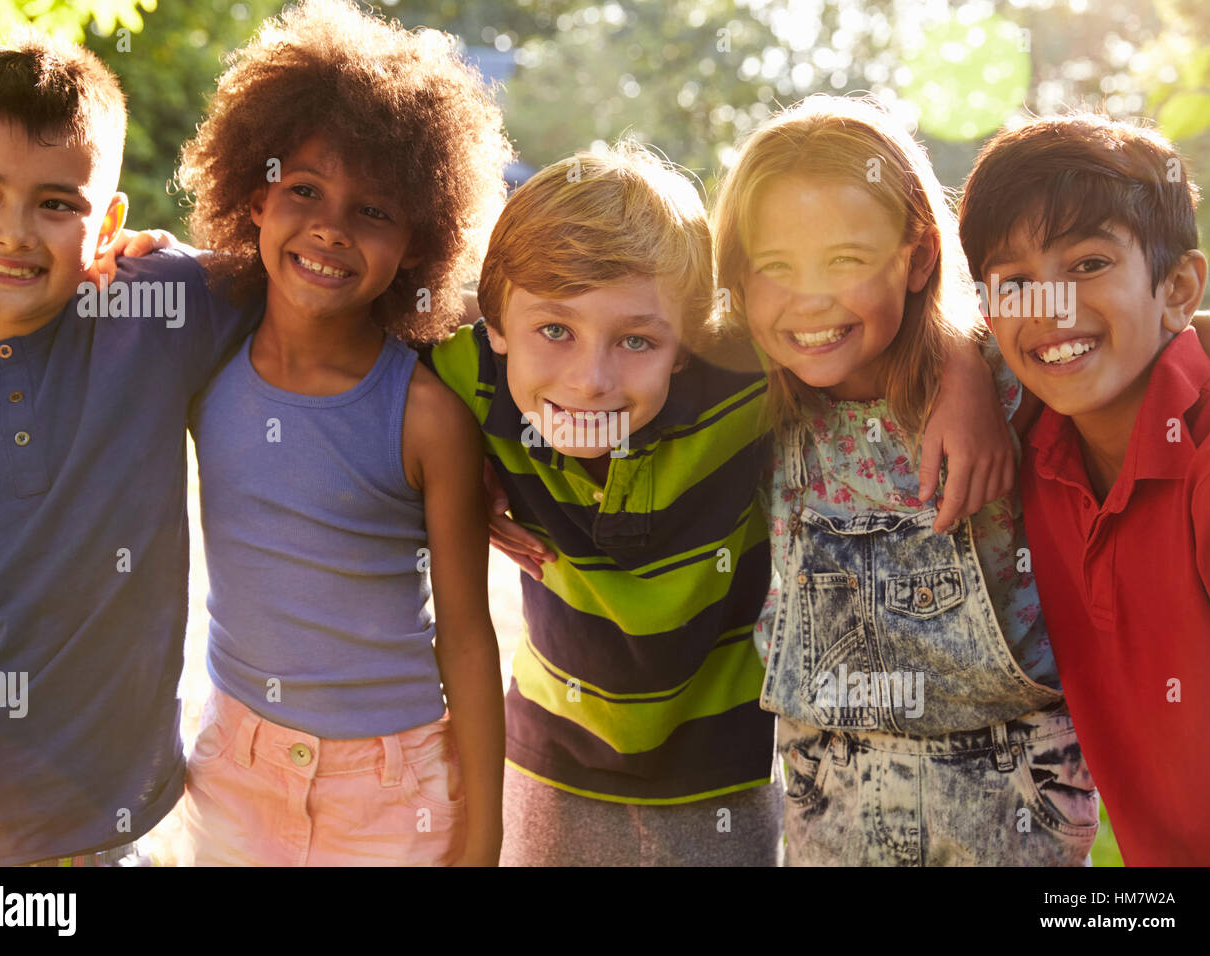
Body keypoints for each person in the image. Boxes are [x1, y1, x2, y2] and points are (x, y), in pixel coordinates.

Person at [431, 139, 1018, 865]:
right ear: (496, 327)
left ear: (686, 344)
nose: (589, 379)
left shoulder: (742, 382)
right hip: (551, 761)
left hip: (723, 777)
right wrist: (456, 469)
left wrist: (961, 361)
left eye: (637, 340)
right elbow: (360, 348)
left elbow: (851, 327)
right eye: (555, 330)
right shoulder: (464, 381)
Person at [169, 0, 511, 866]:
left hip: (390, 790)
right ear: (254, 195)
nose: (330, 227)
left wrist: (483, 834)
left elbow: (467, 632)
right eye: (305, 191)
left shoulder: (427, 417)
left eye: (373, 212)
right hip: (235, 767)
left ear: (419, 243)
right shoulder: (206, 349)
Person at [713, 94, 1096, 865]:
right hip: (832, 789)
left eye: (846, 261)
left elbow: (1169, 333)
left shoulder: (1012, 370)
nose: (810, 298)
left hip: (1012, 789)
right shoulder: (743, 386)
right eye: (775, 267)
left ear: (920, 256)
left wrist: (961, 352)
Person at [0, 34, 257, 865]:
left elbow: (322, 279)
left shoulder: (152, 316)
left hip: (107, 839)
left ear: (107, 220)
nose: (13, 233)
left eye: (57, 204)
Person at [959, 114, 1210, 865]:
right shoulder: (1033, 448)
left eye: (1086, 265)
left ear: (1177, 289)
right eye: (1016, 283)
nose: (1049, 309)